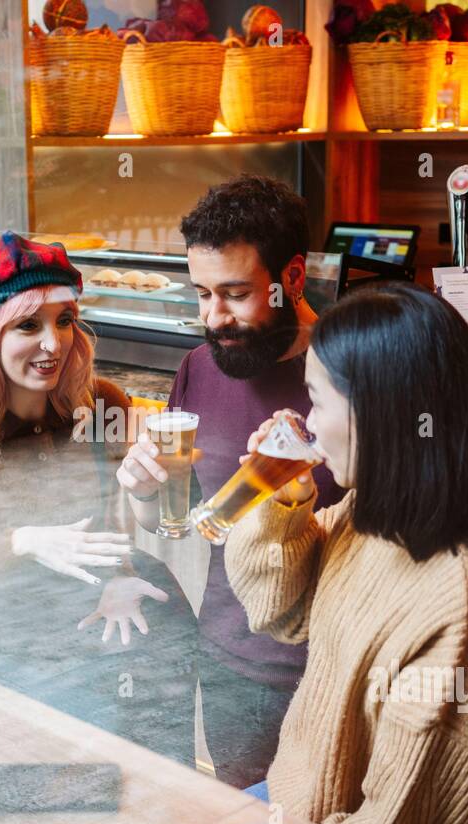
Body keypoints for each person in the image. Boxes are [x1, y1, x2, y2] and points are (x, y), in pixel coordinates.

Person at [226, 281, 468, 824]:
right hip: (295, 812)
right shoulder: (380, 513)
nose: (306, 420)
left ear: (383, 414)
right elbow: (276, 612)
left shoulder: (465, 613)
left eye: (318, 400)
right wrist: (287, 499)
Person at [0, 231, 198, 761]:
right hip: (2, 653)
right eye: (28, 325)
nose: (53, 344)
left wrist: (125, 564)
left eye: (64, 321)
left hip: (110, 629)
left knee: (147, 787)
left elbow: (134, 523)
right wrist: (20, 541)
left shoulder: (103, 403)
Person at [114, 174, 342, 786]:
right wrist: (142, 495)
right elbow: (185, 522)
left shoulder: (354, 373)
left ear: (292, 277)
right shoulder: (198, 369)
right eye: (201, 293)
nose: (213, 318)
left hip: (335, 668)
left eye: (235, 294)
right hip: (230, 663)